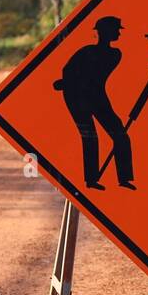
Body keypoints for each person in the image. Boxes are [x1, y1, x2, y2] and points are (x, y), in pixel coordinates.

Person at [53, 15, 135, 191]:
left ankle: (125, 178)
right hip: (76, 98)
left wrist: (68, 82)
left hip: (97, 97)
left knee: (121, 135)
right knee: (90, 137)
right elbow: (68, 70)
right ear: (103, 32)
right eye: (116, 30)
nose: (118, 34)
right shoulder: (86, 51)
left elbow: (89, 75)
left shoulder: (114, 54)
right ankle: (91, 180)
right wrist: (69, 83)